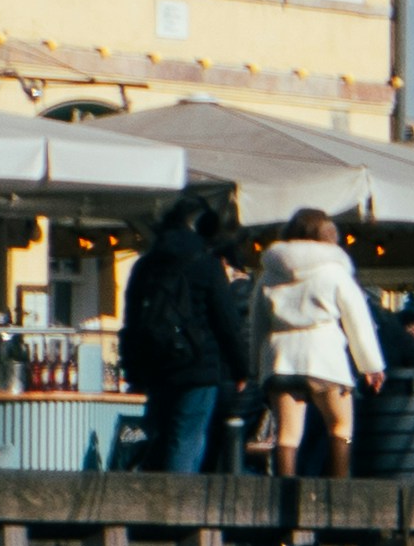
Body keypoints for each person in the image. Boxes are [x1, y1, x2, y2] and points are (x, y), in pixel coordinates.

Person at [116, 191, 250, 476]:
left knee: (158, 437)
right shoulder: (206, 264)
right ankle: (176, 514)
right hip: (199, 366)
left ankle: (149, 509)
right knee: (186, 440)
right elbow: (225, 321)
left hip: (156, 366)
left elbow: (132, 321)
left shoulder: (145, 265)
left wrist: (133, 371)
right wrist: (241, 370)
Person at [246, 207, 385, 480]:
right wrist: (371, 365)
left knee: (287, 435)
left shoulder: (269, 274)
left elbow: (257, 325)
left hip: (280, 359)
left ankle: (284, 508)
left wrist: (254, 367)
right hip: (325, 358)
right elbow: (358, 321)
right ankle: (338, 499)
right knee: (341, 427)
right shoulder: (335, 272)